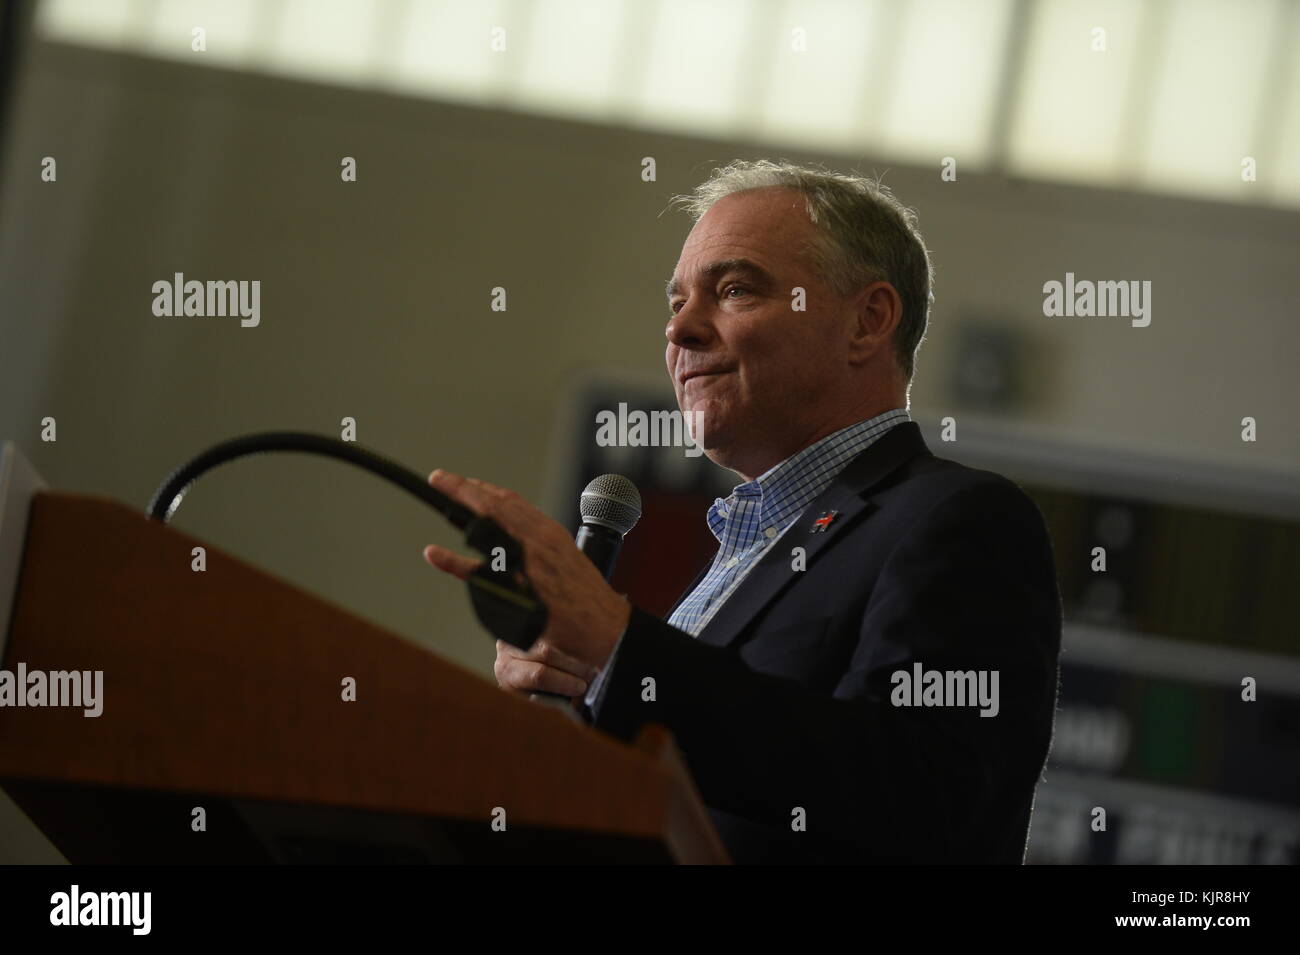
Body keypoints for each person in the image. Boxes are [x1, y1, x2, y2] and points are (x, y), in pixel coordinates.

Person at [423, 159, 1062, 863]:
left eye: (733, 290)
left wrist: (618, 643)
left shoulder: (960, 520)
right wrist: (583, 694)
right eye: (675, 303)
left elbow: (923, 791)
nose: (681, 330)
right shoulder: (748, 544)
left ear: (867, 321)